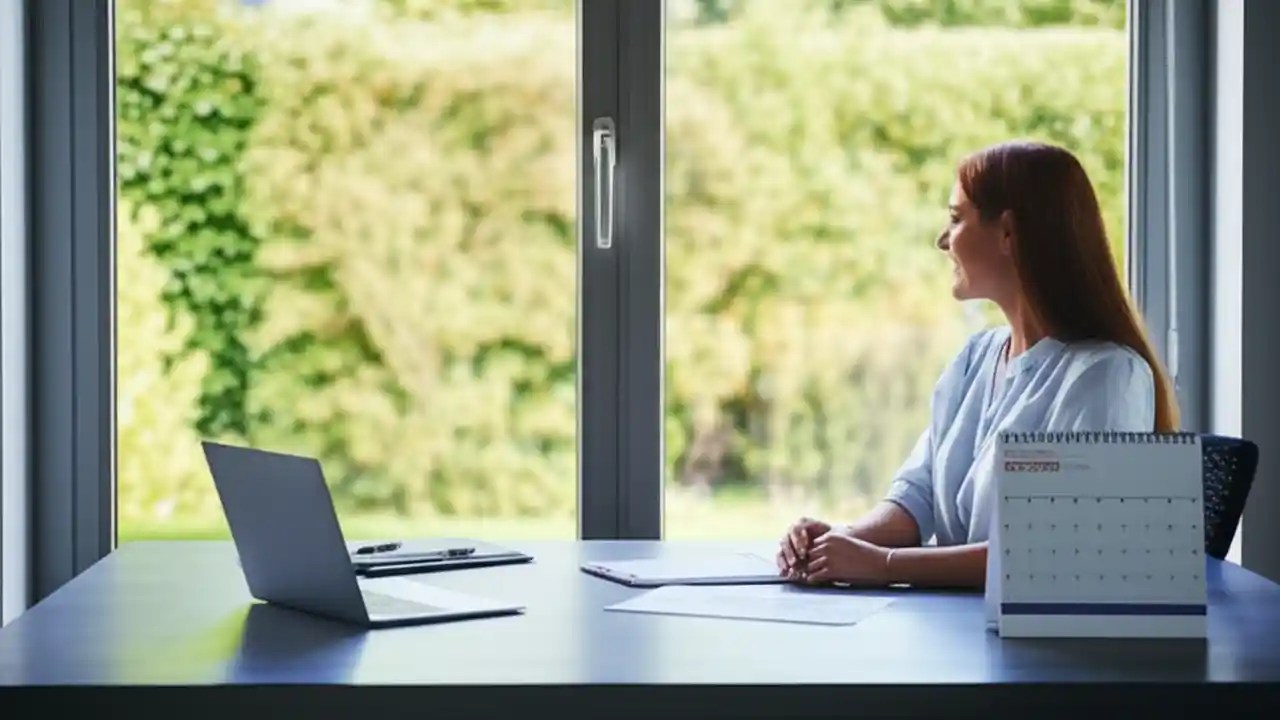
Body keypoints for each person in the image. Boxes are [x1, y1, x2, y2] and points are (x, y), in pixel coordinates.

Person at [776, 140, 1179, 590]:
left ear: (1009, 234)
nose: (943, 240)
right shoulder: (976, 358)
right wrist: (837, 542)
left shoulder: (1105, 378)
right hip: (960, 631)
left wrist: (884, 564)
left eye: (955, 218)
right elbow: (919, 495)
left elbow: (1055, 553)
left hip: (1049, 654)